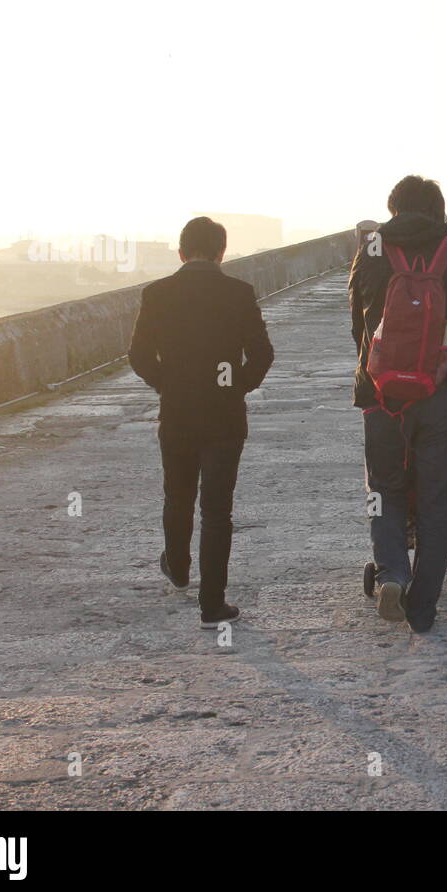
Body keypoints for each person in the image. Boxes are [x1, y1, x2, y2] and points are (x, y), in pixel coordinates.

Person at [349, 176, 447, 633]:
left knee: (383, 490)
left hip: (382, 396)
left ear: (393, 208)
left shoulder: (372, 251)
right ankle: (423, 607)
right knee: (439, 497)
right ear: (438, 209)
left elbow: (359, 328)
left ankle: (392, 571)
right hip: (442, 393)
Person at [129, 216, 274, 629]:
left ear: (180, 251)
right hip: (224, 416)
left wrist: (167, 385)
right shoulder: (238, 293)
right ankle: (212, 605)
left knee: (177, 496)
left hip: (177, 413)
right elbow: (262, 354)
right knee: (217, 510)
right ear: (221, 252)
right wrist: (237, 386)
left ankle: (177, 566)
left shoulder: (156, 294)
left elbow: (138, 356)